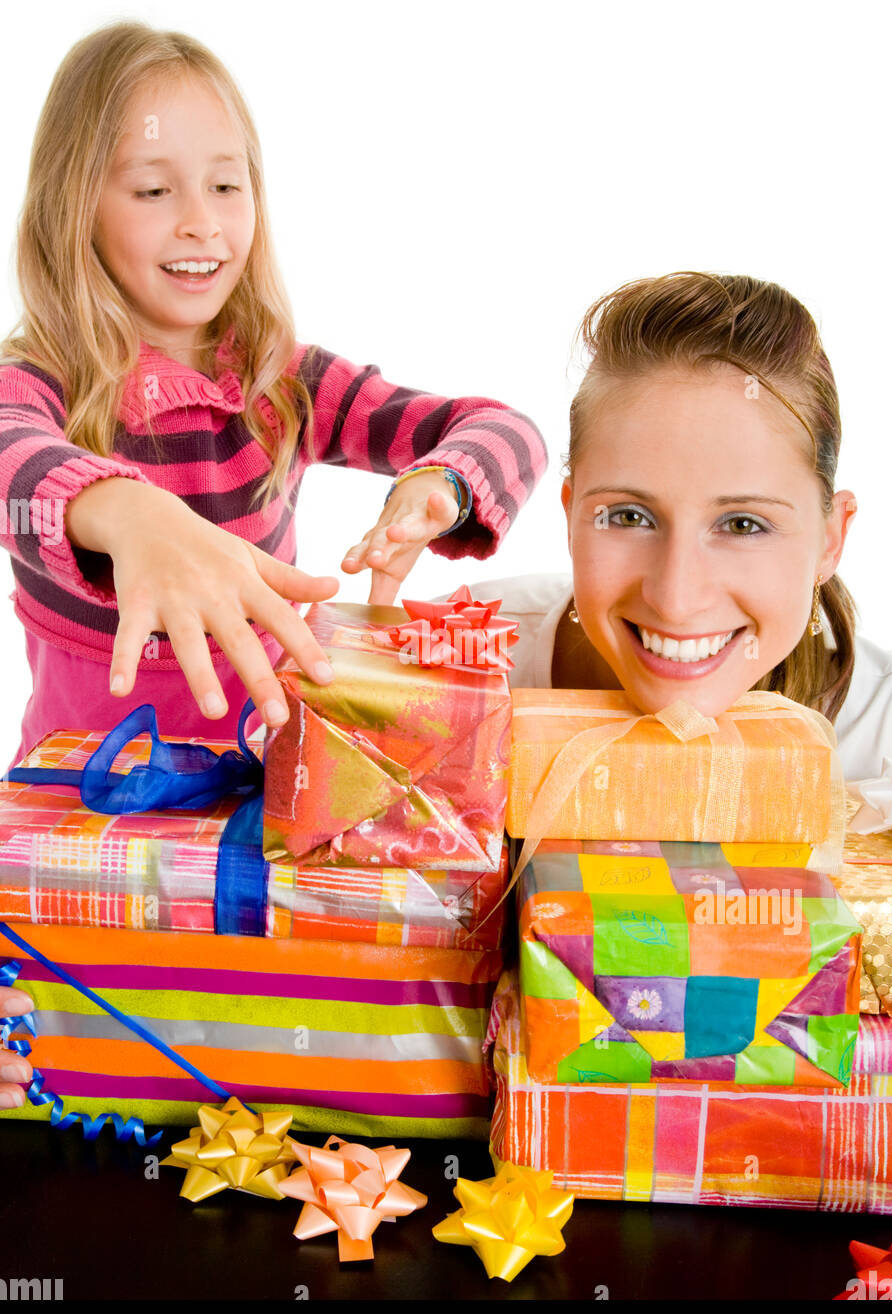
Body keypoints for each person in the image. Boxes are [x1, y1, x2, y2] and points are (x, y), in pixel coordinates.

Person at [0, 22, 546, 1110]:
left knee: (267, 1038)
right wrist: (131, 514)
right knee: (118, 1052)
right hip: (99, 805)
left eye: (226, 184)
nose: (201, 222)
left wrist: (430, 491)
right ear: (76, 208)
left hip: (273, 796)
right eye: (152, 189)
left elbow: (503, 425)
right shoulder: (41, 380)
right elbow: (18, 462)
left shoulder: (280, 380)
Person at [466, 271, 892, 782]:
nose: (675, 600)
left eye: (743, 525)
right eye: (630, 517)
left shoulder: (891, 739)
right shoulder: (464, 664)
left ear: (830, 541)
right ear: (570, 517)